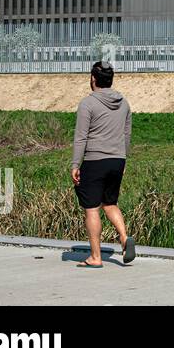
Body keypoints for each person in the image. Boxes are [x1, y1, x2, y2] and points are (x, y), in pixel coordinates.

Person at [71, 61, 134, 267]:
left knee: (91, 208)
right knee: (110, 203)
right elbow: (126, 134)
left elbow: (81, 138)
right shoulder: (124, 103)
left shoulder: (87, 104)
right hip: (117, 160)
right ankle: (124, 238)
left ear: (93, 79)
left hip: (95, 160)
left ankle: (96, 257)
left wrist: (75, 164)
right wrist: (123, 160)